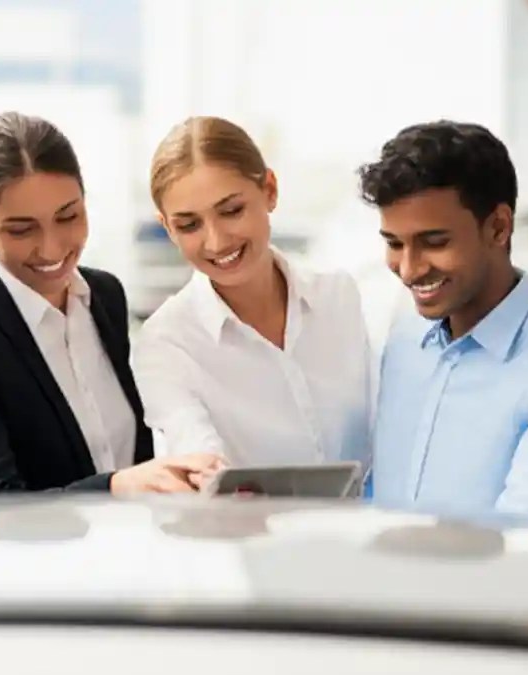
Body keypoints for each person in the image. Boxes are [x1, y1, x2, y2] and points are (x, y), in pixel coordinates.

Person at [0, 111, 222, 494]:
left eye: (69, 216)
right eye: (22, 229)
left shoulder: (105, 297)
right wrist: (114, 488)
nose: (53, 247)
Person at [361, 120, 528, 517]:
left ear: (498, 227)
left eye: (434, 242)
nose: (409, 270)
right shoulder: (404, 344)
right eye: (395, 244)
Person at [132, 116, 372, 470]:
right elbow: (199, 458)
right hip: (245, 525)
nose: (215, 241)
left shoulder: (338, 296)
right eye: (189, 224)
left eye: (231, 211)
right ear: (167, 227)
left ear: (270, 190)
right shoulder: (167, 342)